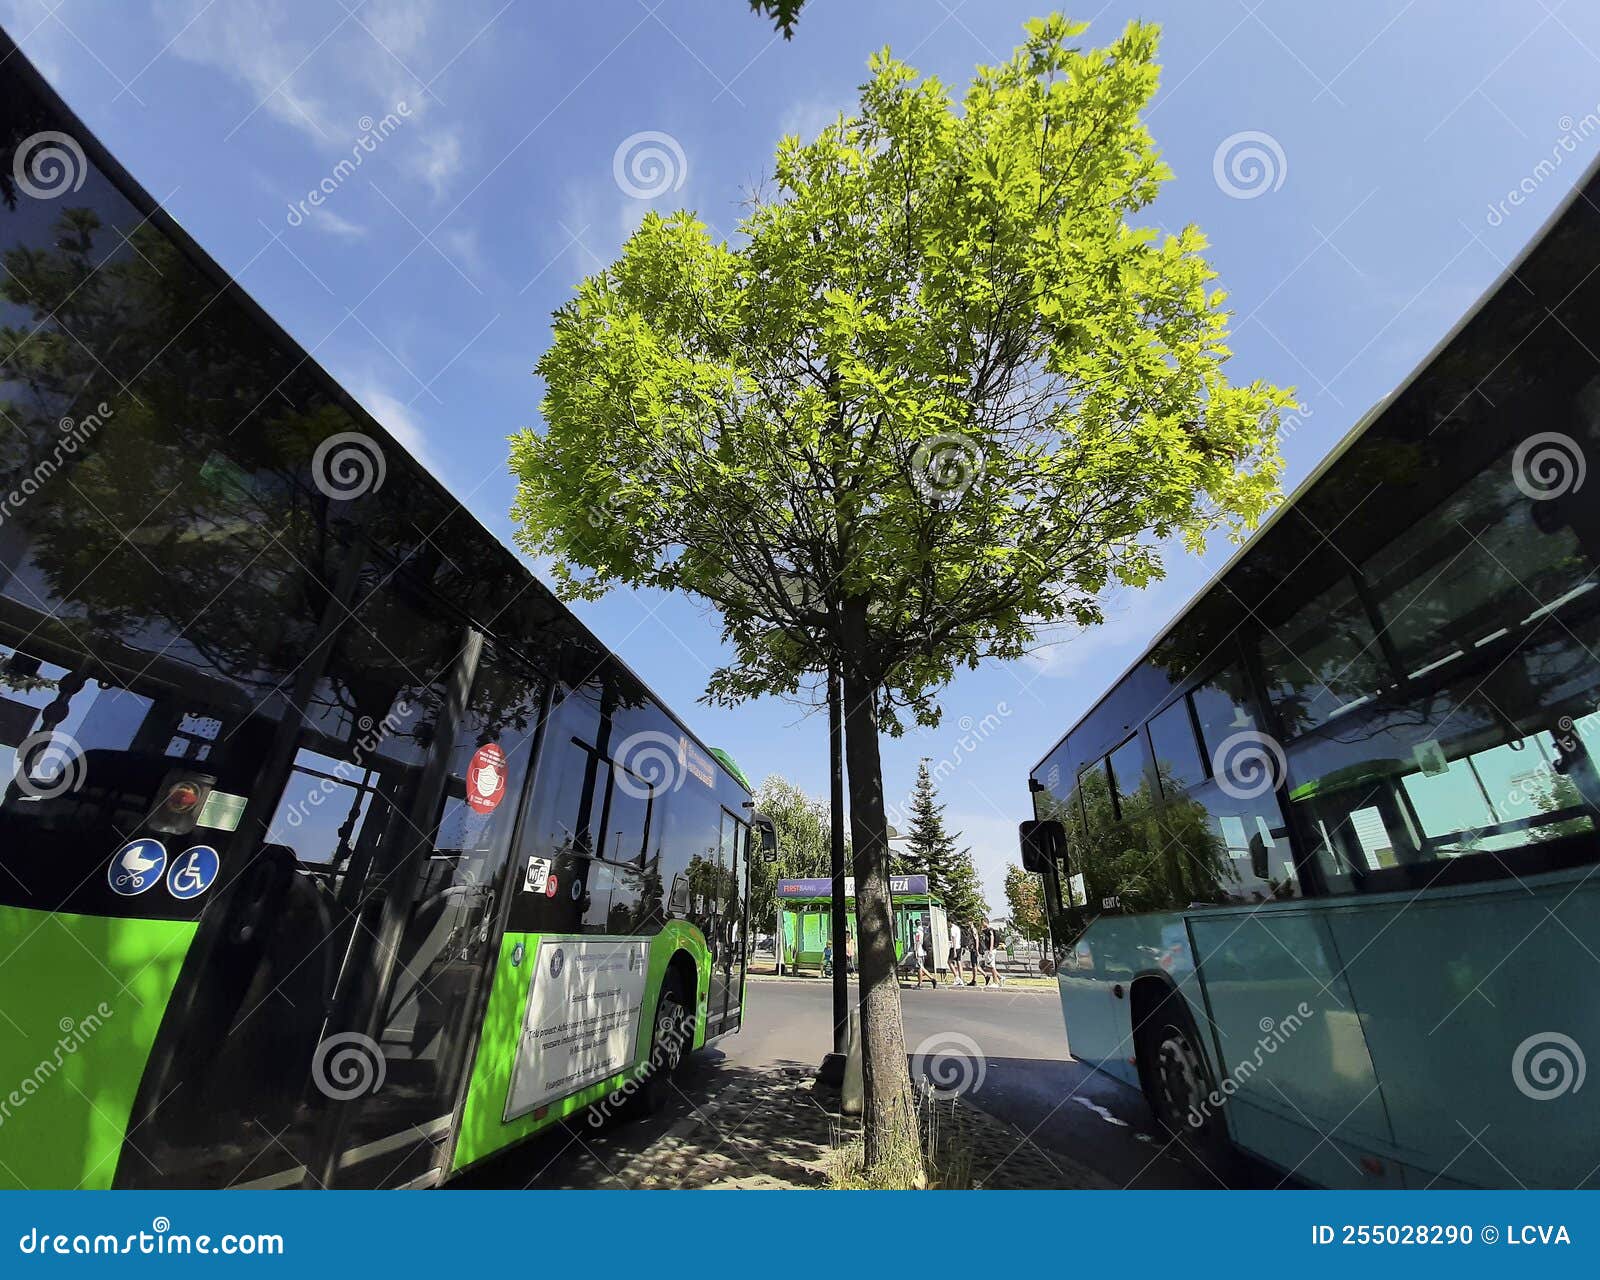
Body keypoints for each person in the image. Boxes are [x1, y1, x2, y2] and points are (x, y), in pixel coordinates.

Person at [911, 916, 937, 988]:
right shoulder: (923, 931)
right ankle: (927, 981)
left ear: (915, 924)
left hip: (919, 951)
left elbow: (917, 942)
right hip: (923, 951)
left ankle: (925, 982)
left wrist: (915, 951)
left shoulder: (917, 932)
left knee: (920, 967)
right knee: (921, 967)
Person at [978, 920, 1005, 988]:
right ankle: (1000, 977)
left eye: (982, 922)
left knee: (991, 966)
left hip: (991, 950)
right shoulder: (986, 930)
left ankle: (995, 982)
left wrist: (990, 949)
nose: (982, 924)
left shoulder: (990, 930)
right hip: (989, 950)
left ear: (986, 922)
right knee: (989, 966)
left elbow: (992, 939)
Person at [948, 919, 967, 986]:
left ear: (950, 922)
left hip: (954, 947)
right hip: (959, 946)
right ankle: (961, 979)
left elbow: (954, 939)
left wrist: (954, 950)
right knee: (959, 962)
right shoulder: (957, 928)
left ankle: (957, 977)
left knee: (949, 962)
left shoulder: (953, 929)